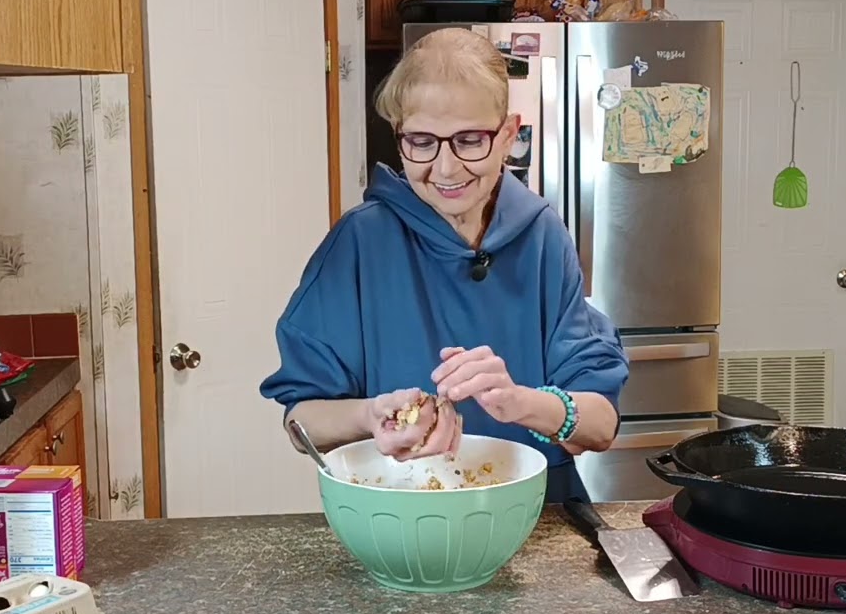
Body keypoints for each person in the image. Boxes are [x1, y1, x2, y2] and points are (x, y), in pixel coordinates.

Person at [259, 28, 628, 503]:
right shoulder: (359, 243)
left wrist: (519, 402)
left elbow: (600, 424)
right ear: (399, 139)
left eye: (469, 140)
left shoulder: (542, 237)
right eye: (422, 141)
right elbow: (300, 422)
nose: (447, 169)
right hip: (402, 513)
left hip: (535, 512)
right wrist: (370, 415)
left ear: (508, 135)